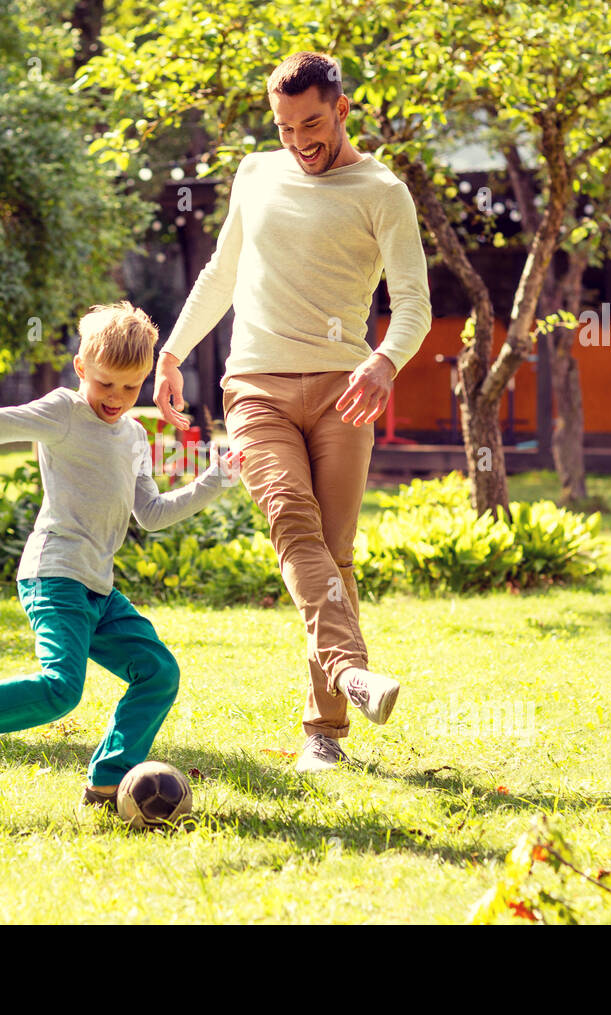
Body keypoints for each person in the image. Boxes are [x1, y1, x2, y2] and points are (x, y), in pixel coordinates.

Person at [154, 51, 433, 773]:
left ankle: (325, 733)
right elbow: (221, 273)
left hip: (345, 389)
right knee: (291, 521)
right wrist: (174, 351)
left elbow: (415, 306)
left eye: (311, 124)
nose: (299, 141)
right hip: (255, 386)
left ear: (342, 110)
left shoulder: (383, 192)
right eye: (284, 128)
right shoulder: (256, 173)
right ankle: (350, 674)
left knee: (333, 555)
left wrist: (382, 361)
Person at [0, 302, 244, 809]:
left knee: (158, 672)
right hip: (54, 577)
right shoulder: (65, 411)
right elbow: (5, 423)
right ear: (82, 368)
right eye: (106, 383)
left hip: (98, 590)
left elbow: (150, 512)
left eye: (131, 388)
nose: (117, 398)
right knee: (60, 690)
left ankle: (108, 780)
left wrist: (215, 478)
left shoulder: (132, 435)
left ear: (146, 378)